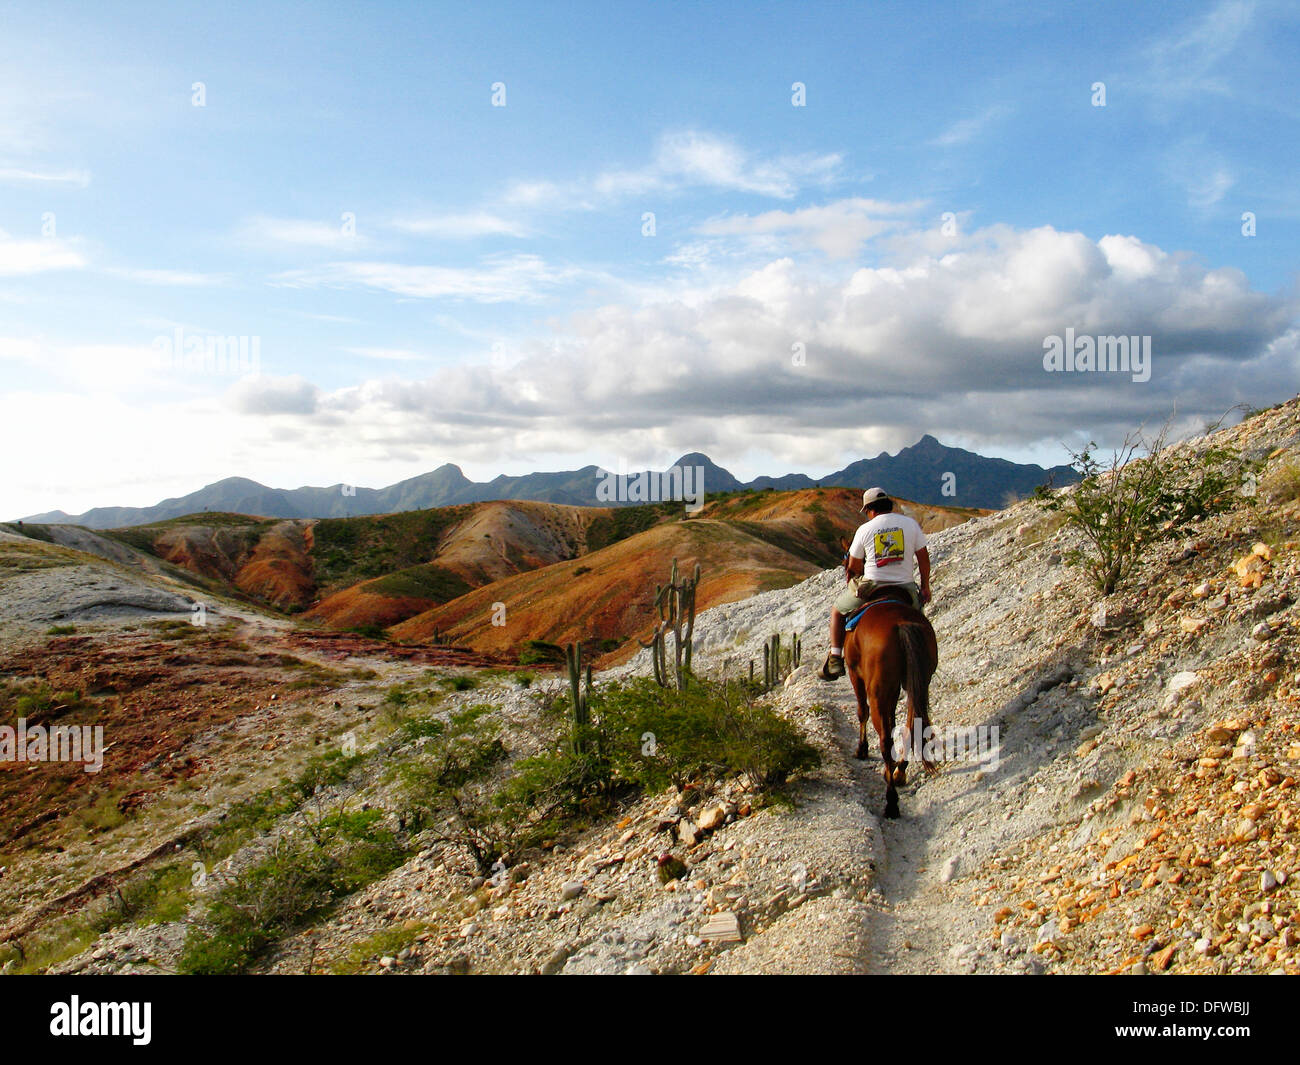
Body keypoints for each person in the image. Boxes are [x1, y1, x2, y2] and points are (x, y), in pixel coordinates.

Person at [820, 487, 931, 681]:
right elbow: (923, 558)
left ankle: (835, 657)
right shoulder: (910, 524)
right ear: (887, 505)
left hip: (872, 586)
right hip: (905, 587)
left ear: (870, 510)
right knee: (918, 618)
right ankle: (922, 658)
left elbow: (853, 564)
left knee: (837, 611)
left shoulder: (865, 529)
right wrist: (925, 586)